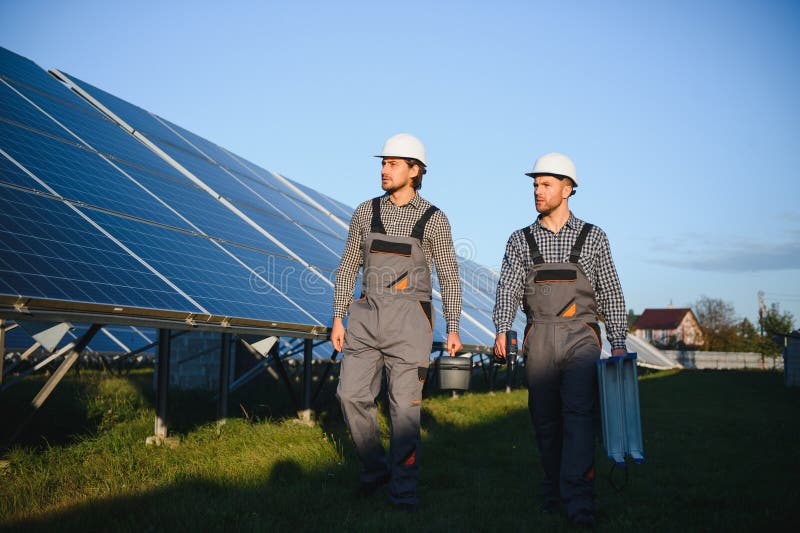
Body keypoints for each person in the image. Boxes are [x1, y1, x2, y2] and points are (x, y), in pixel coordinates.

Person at [493, 152, 627, 528]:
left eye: (546, 184)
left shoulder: (593, 237)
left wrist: (617, 340)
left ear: (567, 189)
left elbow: (612, 293)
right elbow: (507, 288)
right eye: (535, 184)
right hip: (539, 336)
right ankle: (554, 489)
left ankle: (581, 499)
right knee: (545, 420)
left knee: (579, 416)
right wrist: (502, 326)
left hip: (581, 337)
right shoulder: (520, 240)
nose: (538, 190)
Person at [331, 133, 463, 511]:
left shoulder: (434, 219)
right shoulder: (364, 211)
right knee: (350, 395)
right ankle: (375, 469)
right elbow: (346, 268)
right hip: (365, 317)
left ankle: (403, 489)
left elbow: (450, 277)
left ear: (415, 170)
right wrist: (338, 317)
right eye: (383, 162)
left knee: (404, 409)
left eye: (392, 163)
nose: (384, 169)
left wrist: (452, 326)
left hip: (410, 323)